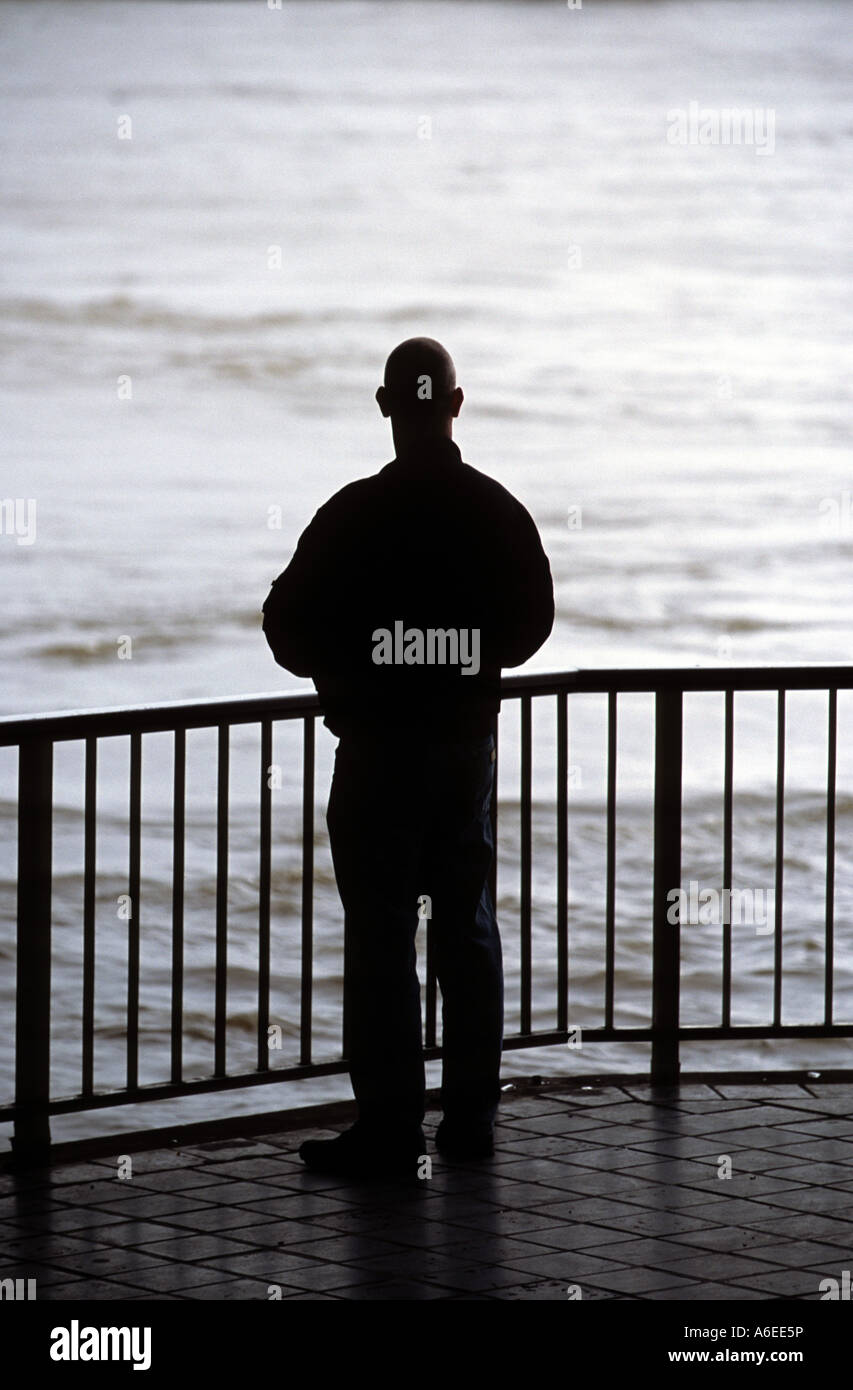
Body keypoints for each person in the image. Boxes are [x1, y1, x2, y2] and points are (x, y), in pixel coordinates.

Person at [262, 338, 554, 1176]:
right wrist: (461, 660)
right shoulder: (495, 510)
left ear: (386, 406)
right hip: (463, 752)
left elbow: (285, 625)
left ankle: (388, 1132)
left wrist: (352, 673)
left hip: (377, 753)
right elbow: (530, 627)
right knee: (466, 933)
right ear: (455, 406)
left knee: (381, 938)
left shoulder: (352, 514)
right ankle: (469, 1125)